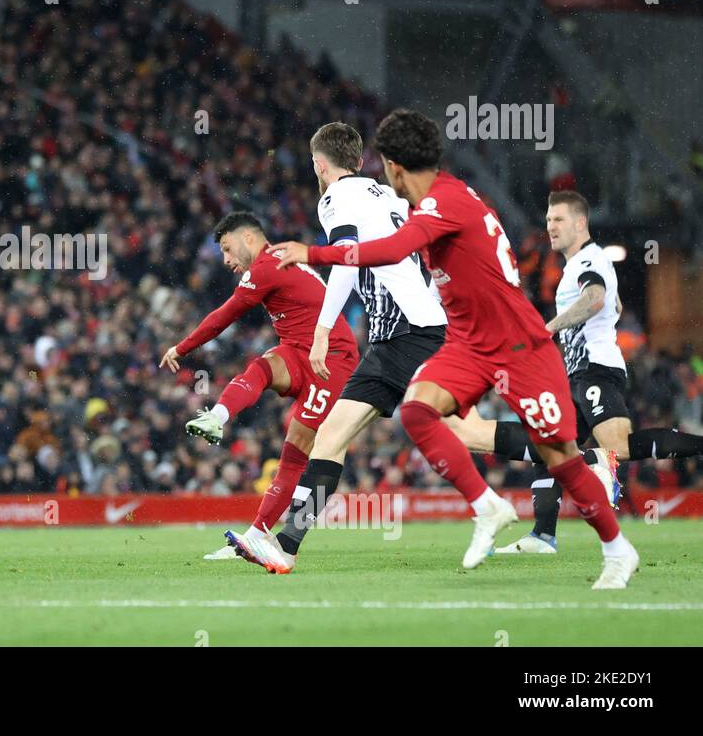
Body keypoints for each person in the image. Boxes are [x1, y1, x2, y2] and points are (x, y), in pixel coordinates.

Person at [271, 109, 637, 589]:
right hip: (468, 342)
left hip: (517, 343)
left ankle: (617, 549)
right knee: (418, 410)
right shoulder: (446, 197)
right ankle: (488, 505)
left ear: (395, 166)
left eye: (383, 166)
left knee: (558, 455)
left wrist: (312, 253)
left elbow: (392, 250)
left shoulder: (442, 204)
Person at [218, 123, 448, 572]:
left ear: (319, 165)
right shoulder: (388, 196)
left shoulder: (336, 198)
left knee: (466, 435)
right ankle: (285, 546)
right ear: (358, 161)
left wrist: (322, 330)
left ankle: (581, 460)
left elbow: (344, 258)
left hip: (408, 331)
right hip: (405, 331)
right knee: (331, 435)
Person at [446, 190, 703, 553]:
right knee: (546, 444)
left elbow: (596, 298)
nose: (551, 226)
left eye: (559, 220)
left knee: (617, 446)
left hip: (593, 370)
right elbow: (608, 300)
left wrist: (547, 330)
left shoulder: (587, 261)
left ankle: (593, 462)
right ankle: (543, 535)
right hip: (577, 373)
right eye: (549, 220)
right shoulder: (580, 265)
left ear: (580, 223)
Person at [159, 211, 358, 556]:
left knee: (297, 446)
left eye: (227, 248)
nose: (225, 260)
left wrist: (181, 347)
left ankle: (263, 533)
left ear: (248, 238)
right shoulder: (279, 257)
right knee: (262, 367)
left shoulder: (266, 266)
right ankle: (217, 417)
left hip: (331, 359)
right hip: (299, 349)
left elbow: (224, 316)